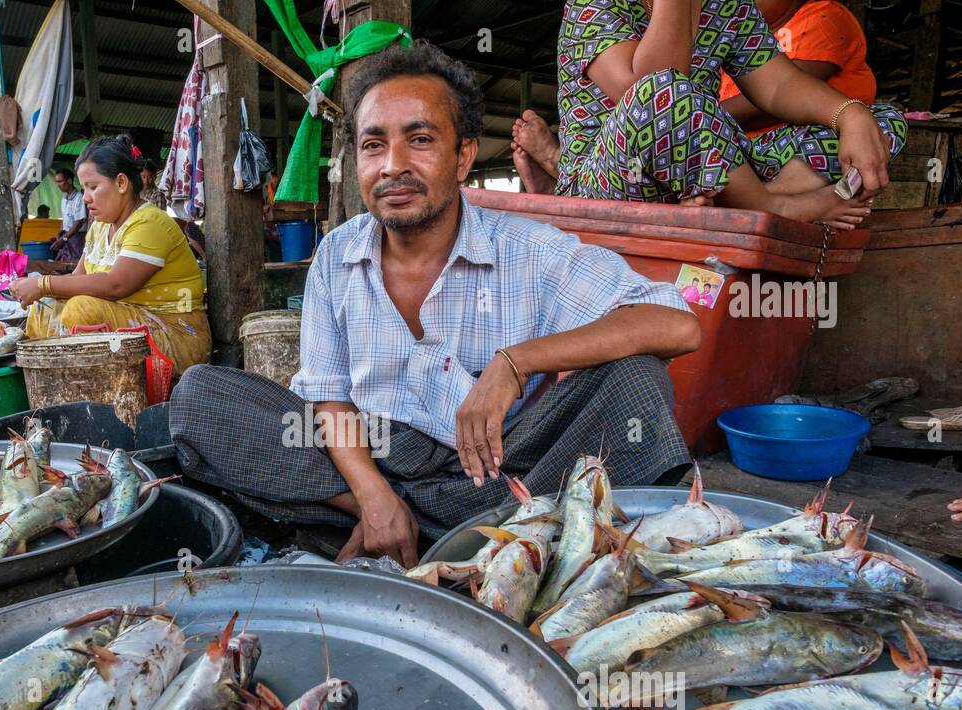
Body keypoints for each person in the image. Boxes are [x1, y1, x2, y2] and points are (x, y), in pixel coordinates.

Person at [166, 42, 701, 566]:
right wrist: (375, 496)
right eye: (374, 146)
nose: (393, 166)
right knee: (201, 396)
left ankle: (484, 534)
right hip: (373, 462)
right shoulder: (337, 253)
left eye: (419, 140)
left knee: (635, 380)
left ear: (463, 155)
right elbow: (329, 399)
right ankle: (396, 523)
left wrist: (518, 362)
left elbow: (676, 325)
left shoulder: (528, 249)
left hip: (503, 470)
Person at [514, 0, 906, 230]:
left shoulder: (725, 4)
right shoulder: (595, 4)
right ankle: (776, 206)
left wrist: (850, 115)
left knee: (883, 120)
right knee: (665, 92)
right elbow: (649, 90)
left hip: (706, 163)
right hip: (614, 181)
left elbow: (779, 85)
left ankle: (746, 198)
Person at [12, 135, 212, 377]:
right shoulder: (100, 226)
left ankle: (89, 388)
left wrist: (42, 283)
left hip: (177, 336)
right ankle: (51, 382)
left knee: (81, 310)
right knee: (44, 309)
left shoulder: (150, 222)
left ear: (121, 183)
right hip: (132, 324)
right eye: (84, 188)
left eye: (93, 187)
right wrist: (40, 291)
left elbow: (116, 285)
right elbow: (77, 279)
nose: (85, 197)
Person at [720, 0, 876, 138]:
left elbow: (782, 93)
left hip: (803, 146)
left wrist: (703, 115)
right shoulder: (733, 38)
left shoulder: (824, 17)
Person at [52, 168, 87, 262]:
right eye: (56, 182)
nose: (58, 185)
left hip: (77, 239)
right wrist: (59, 235)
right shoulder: (64, 199)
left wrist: (63, 238)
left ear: (69, 181)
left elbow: (78, 223)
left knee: (75, 264)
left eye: (60, 181)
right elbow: (64, 220)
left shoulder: (79, 198)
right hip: (67, 237)